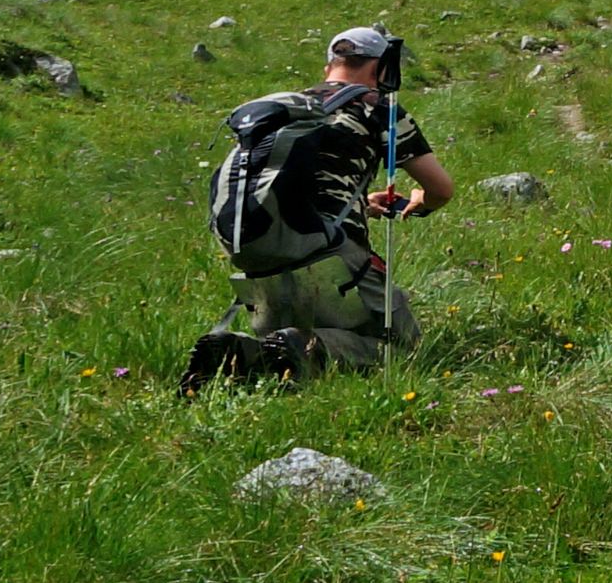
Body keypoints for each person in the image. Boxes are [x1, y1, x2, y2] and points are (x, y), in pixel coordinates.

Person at [180, 23, 454, 390]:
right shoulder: (379, 108)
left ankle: (238, 352)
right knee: (403, 348)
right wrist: (419, 202)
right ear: (380, 68)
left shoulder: (290, 109)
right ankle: (311, 347)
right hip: (330, 248)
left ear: (330, 65)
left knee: (282, 344)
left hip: (260, 244)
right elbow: (440, 189)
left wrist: (361, 201)